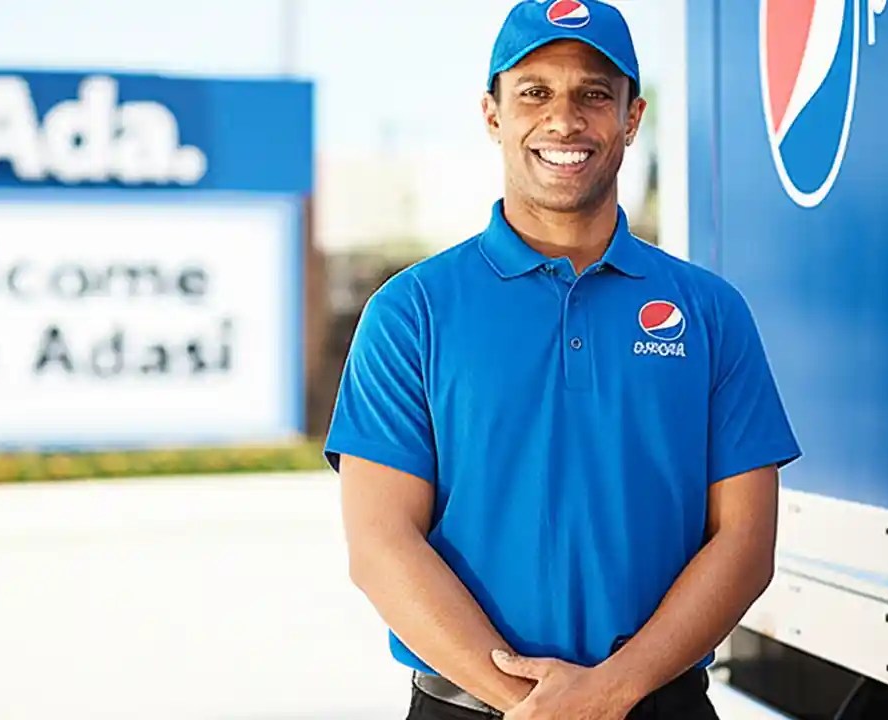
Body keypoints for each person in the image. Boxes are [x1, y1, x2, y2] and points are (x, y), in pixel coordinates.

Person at [322, 1, 803, 719]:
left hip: (659, 704)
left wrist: (611, 689)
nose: (564, 120)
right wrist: (536, 706)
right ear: (493, 115)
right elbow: (381, 543)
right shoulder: (412, 312)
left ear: (632, 118)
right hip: (469, 707)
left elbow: (745, 540)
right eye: (535, 92)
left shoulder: (709, 311)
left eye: (593, 95)